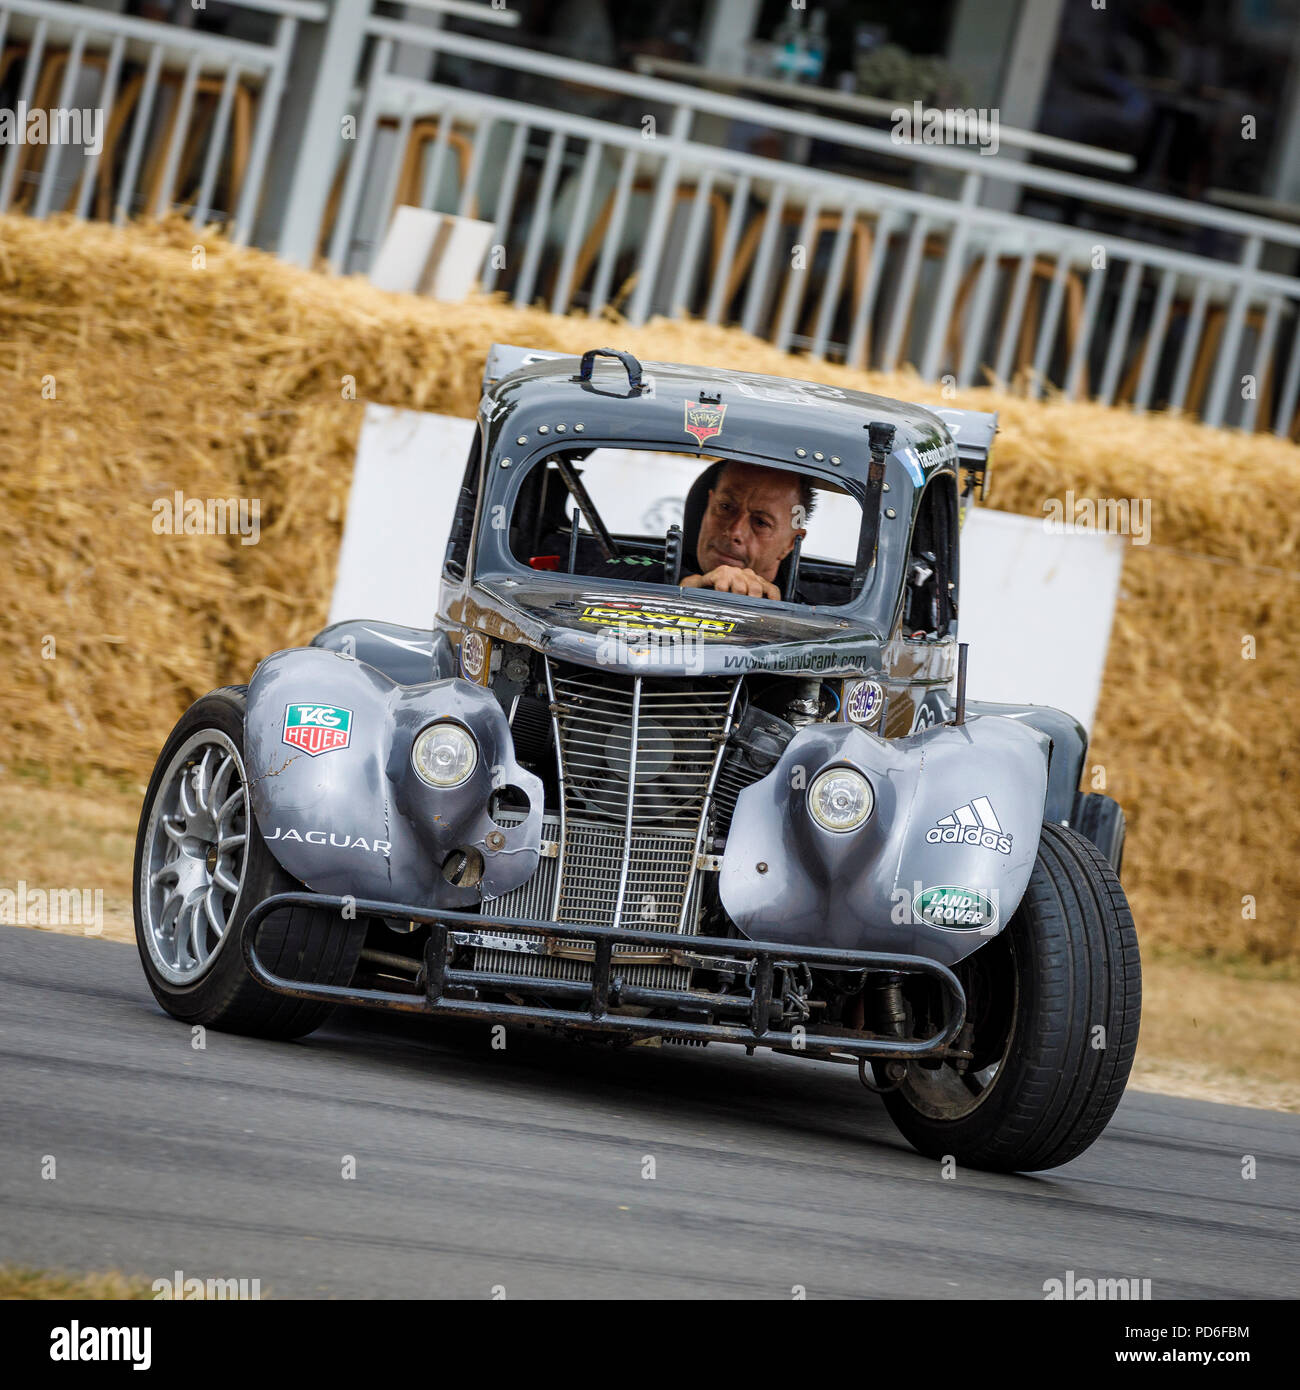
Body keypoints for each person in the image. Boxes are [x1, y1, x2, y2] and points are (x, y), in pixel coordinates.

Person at [595, 459, 813, 601]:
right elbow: (598, 574)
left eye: (760, 523)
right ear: (709, 504)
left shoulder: (811, 617)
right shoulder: (652, 569)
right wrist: (689, 584)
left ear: (790, 543)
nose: (735, 531)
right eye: (726, 507)